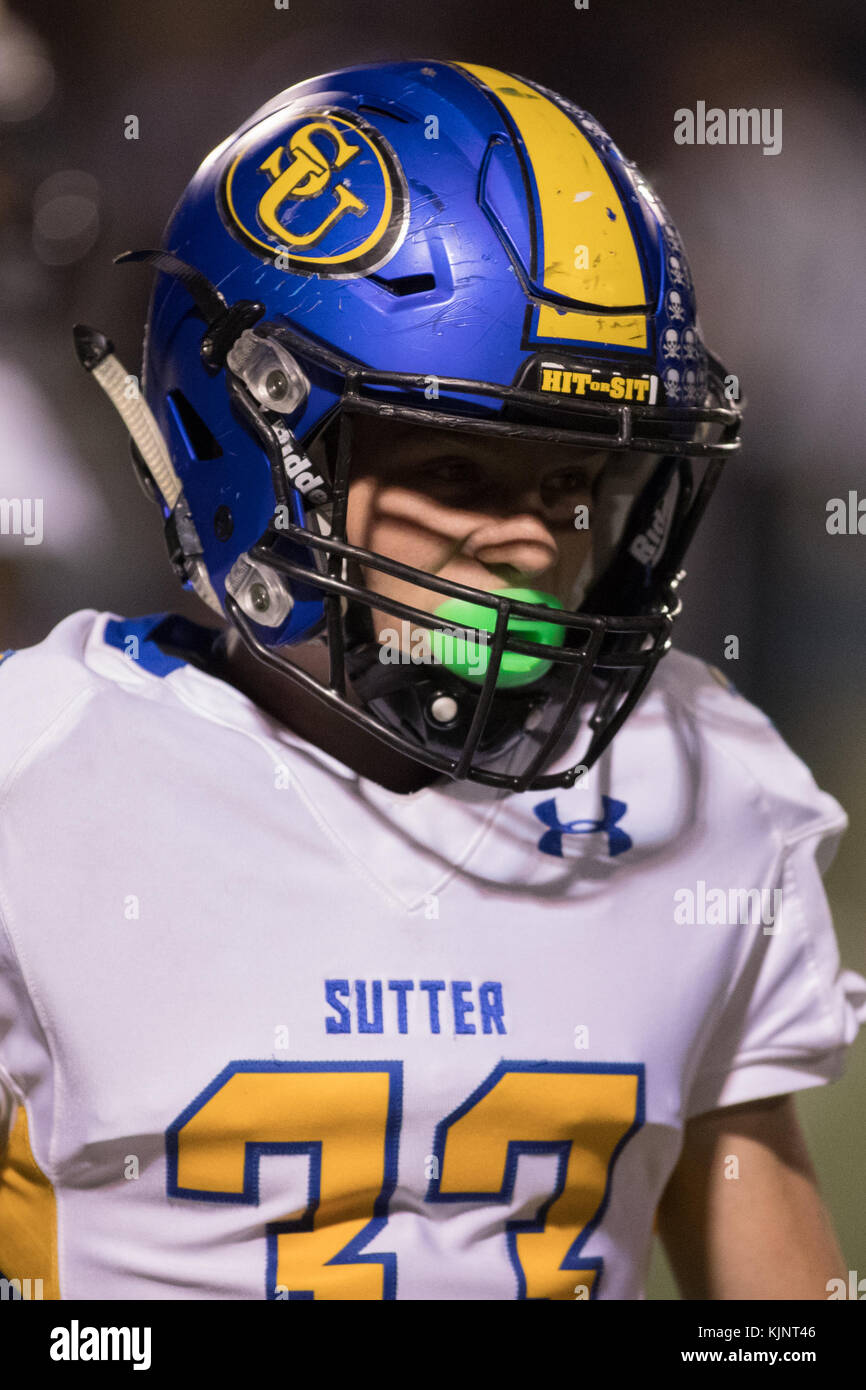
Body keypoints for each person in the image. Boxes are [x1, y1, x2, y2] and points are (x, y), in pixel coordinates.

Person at [0, 60, 863, 1301]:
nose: (532, 541)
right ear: (251, 441)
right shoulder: (40, 774)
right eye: (460, 473)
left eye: (577, 487)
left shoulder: (700, 781)